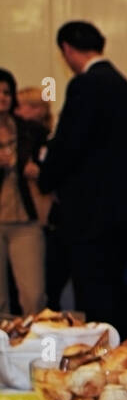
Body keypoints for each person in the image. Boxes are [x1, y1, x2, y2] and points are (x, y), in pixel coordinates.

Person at [37, 21, 127, 330]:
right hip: (123, 211)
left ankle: (103, 366)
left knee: (95, 298)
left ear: (67, 50)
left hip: (90, 214)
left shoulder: (85, 85)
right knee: (120, 294)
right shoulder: (126, 87)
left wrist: (48, 178)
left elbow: (70, 143)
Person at [0, 112, 47, 314]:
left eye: (6, 92)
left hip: (25, 221)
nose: (2, 97)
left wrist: (37, 170)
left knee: (33, 296)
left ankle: (36, 343)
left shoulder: (30, 131)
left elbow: (53, 165)